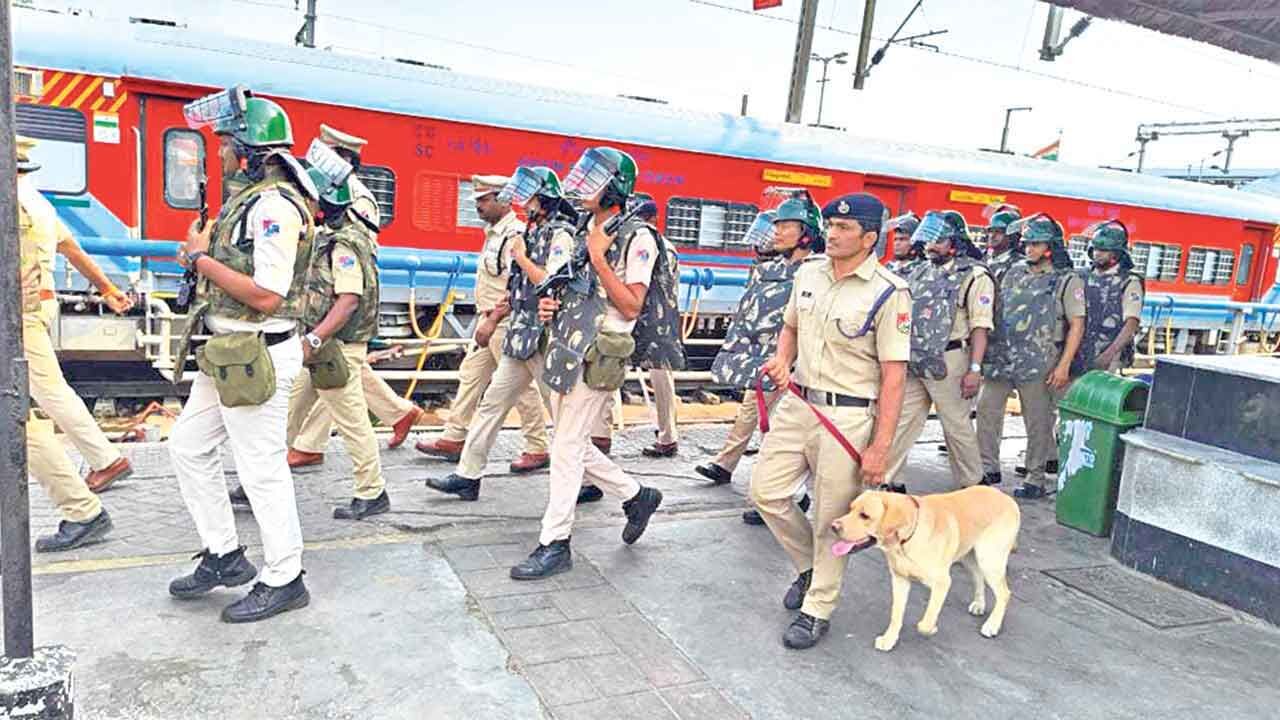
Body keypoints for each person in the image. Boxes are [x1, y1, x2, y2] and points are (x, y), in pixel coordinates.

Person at [167, 87, 316, 623]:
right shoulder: (248, 202)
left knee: (261, 470)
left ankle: (285, 576)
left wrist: (200, 259)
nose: (221, 152)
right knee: (186, 446)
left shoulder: (274, 207)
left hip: (258, 357)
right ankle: (224, 553)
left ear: (251, 151)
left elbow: (267, 294)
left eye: (227, 142)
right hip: (228, 353)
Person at [750, 192, 910, 650]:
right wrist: (783, 361)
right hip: (798, 402)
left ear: (869, 238)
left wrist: (880, 448)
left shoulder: (889, 291)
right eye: (830, 227)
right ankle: (810, 566)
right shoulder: (809, 272)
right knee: (766, 492)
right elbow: (791, 327)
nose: (833, 235)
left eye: (843, 230)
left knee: (829, 517)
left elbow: (894, 377)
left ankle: (818, 606)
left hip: (849, 415)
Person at [509, 147, 670, 580]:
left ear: (615, 187)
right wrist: (551, 305)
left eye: (593, 179)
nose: (581, 185)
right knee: (571, 442)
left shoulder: (637, 237)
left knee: (563, 447)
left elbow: (633, 304)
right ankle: (636, 495)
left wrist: (600, 258)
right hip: (566, 347)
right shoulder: (586, 228)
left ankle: (555, 542)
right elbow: (571, 286)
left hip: (599, 353)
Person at [426, 166, 576, 501]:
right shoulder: (536, 231)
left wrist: (521, 258)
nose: (527, 204)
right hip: (520, 334)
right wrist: (495, 318)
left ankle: (603, 482)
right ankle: (468, 475)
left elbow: (552, 282)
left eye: (532, 198)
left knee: (564, 414)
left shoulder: (560, 235)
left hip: (542, 338)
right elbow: (518, 287)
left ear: (545, 200)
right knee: (492, 403)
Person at [283, 123, 422, 469]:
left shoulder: (356, 199)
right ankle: (398, 413)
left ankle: (312, 446)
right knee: (341, 372)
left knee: (335, 374)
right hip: (327, 297)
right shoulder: (337, 193)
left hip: (342, 294)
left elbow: (350, 252)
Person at [13, 136, 135, 496]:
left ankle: (105, 461)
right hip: (41, 305)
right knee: (46, 391)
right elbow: (74, 251)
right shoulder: (40, 204)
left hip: (23, 310)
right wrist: (109, 289)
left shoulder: (14, 205)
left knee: (50, 392)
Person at [282, 140, 390, 520]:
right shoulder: (331, 236)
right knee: (289, 410)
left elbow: (348, 300)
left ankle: (372, 491)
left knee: (352, 422)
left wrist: (314, 337)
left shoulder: (344, 244)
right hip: (322, 347)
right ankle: (260, 477)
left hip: (336, 347)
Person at [416, 176, 549, 473]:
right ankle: (453, 436)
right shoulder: (494, 232)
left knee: (520, 389)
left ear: (503, 200)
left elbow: (515, 286)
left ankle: (537, 446)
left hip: (504, 322)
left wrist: (492, 320)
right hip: (487, 318)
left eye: (483, 200)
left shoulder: (514, 234)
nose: (477, 205)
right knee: (471, 376)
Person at [700, 203, 820, 525]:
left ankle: (784, 495)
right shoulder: (773, 270)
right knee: (760, 420)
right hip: (765, 363)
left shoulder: (816, 272)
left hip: (792, 367)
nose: (776, 232)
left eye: (785, 226)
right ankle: (778, 490)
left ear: (806, 234)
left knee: (777, 431)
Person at [975, 213, 1085, 498]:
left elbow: (1077, 325)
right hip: (1003, 356)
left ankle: (1035, 477)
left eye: (1035, 244)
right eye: (1027, 244)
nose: (1029, 249)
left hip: (1040, 360)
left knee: (1037, 421)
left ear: (1050, 247)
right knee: (986, 410)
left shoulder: (1066, 280)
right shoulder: (1013, 271)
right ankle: (986, 467)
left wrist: (1063, 366)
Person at [884, 210, 993, 492]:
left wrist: (975, 370)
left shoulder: (975, 275)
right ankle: (890, 482)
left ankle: (974, 487)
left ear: (954, 243)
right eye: (928, 241)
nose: (930, 246)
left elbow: (981, 326)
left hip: (951, 360)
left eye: (937, 241)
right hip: (917, 359)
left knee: (956, 427)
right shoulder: (920, 271)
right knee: (900, 422)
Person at [634, 200, 682, 459]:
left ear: (652, 220)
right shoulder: (662, 246)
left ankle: (668, 437)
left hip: (655, 322)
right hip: (651, 320)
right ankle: (667, 435)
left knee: (661, 379)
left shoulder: (658, 247)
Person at [984, 208, 1023, 285]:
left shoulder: (1019, 264)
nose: (992, 236)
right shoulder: (982, 258)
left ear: (1012, 237)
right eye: (991, 231)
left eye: (998, 232)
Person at [883, 211, 923, 278]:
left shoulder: (922, 270)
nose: (897, 243)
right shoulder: (887, 267)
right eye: (895, 239)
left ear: (915, 242)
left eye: (902, 239)